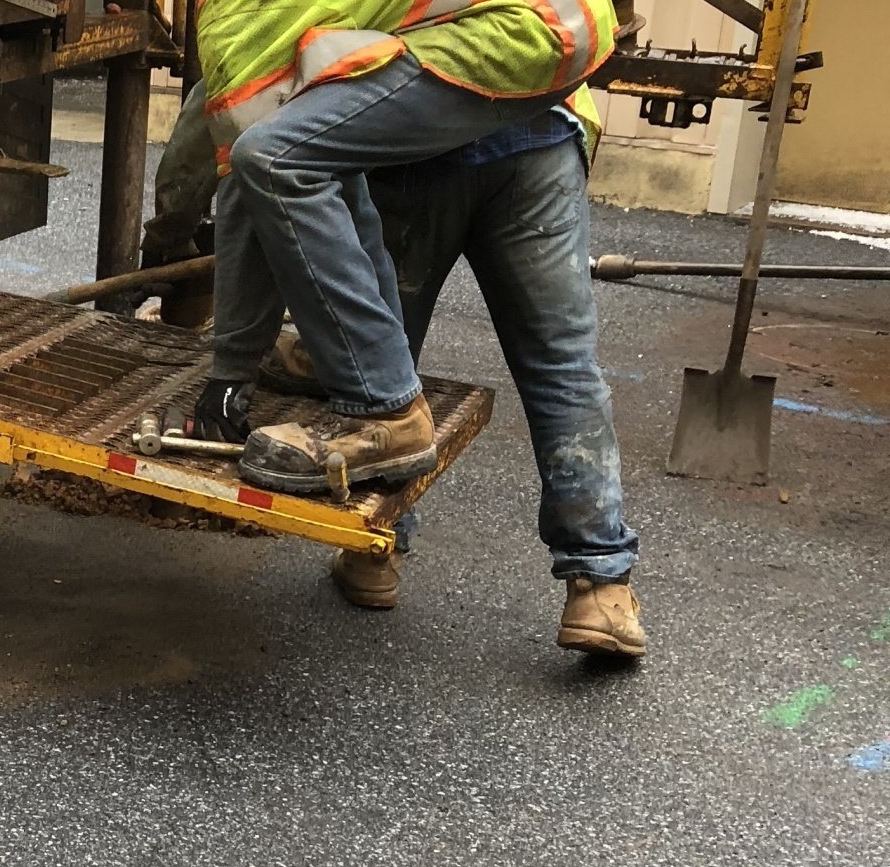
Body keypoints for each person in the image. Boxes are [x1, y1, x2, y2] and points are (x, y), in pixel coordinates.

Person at [26, 0, 643, 658]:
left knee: (368, 324)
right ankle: (602, 590)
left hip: (487, 78)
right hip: (541, 98)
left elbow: (243, 186)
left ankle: (377, 526)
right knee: (556, 358)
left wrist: (225, 379)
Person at [144, 78, 641, 654]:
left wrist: (172, 240)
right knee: (562, 366)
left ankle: (375, 553)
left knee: (384, 364)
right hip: (539, 139)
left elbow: (226, 134)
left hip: (413, 156)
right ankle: (599, 591)